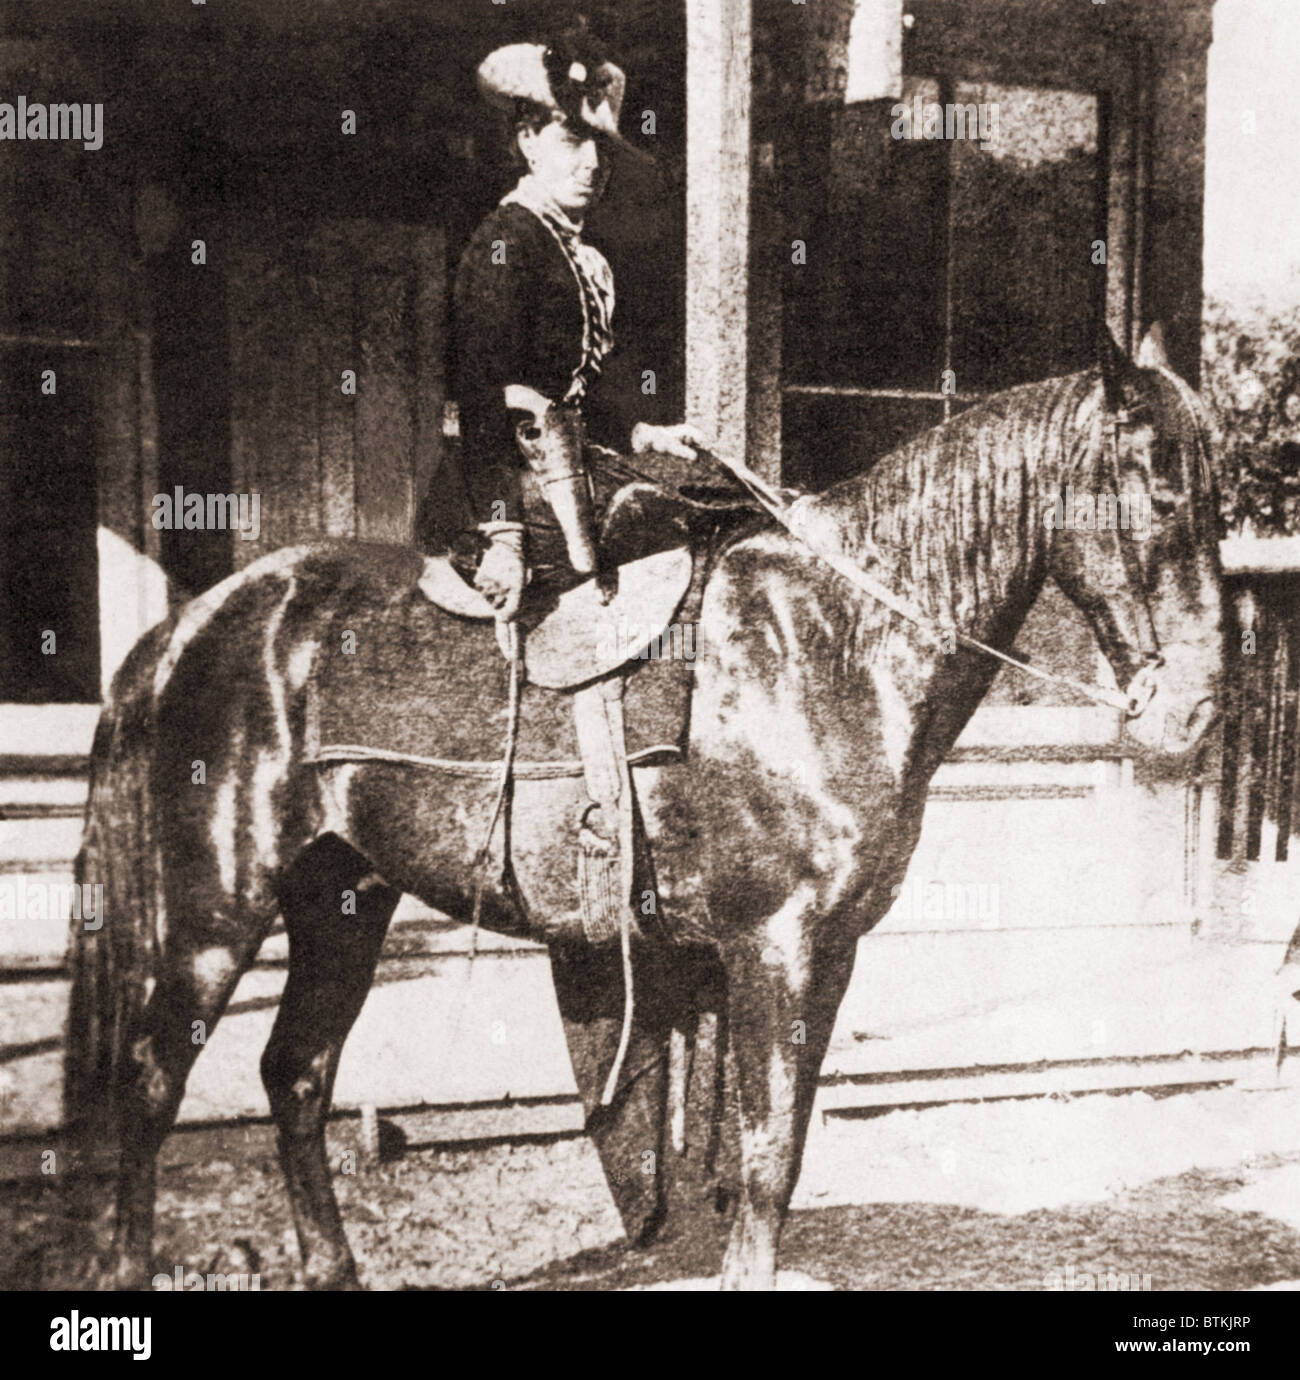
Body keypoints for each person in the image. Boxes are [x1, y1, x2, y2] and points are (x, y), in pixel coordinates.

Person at [450, 27, 704, 620]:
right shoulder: (506, 240)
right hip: (501, 492)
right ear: (529, 141)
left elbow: (578, 380)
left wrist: (641, 430)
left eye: (601, 148)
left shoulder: (573, 251)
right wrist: (503, 536)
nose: (592, 163)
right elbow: (483, 394)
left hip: (564, 474)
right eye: (573, 140)